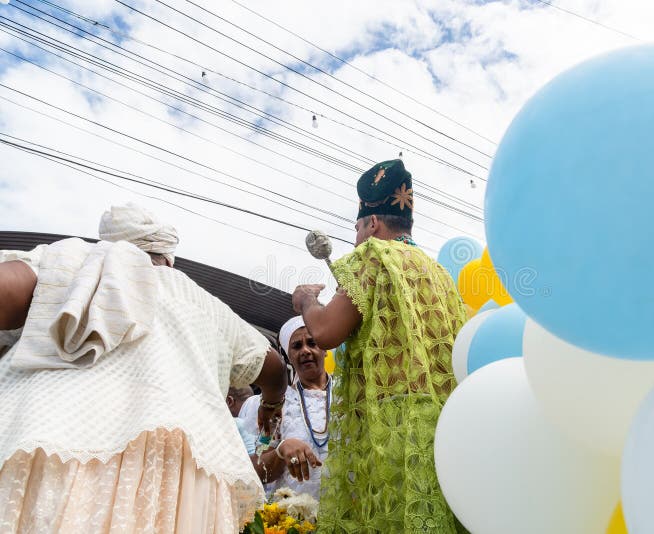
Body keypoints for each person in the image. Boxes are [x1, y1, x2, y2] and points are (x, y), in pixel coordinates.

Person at [0, 203, 288, 533]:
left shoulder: (76, 259)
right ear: (166, 258)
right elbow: (273, 368)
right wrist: (272, 403)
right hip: (180, 480)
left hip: (50, 452)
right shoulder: (200, 301)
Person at [292, 159, 467, 533]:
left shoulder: (373, 255)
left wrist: (306, 302)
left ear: (373, 223)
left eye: (357, 228)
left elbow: (326, 332)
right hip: (447, 426)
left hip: (392, 427)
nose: (355, 239)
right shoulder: (437, 273)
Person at [252, 316, 330, 500]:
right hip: (295, 521)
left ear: (325, 349)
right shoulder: (274, 405)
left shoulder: (349, 396)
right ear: (288, 356)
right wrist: (281, 450)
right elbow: (258, 467)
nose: (305, 350)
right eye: (296, 346)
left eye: (312, 343)